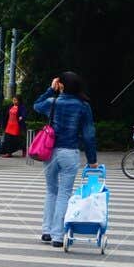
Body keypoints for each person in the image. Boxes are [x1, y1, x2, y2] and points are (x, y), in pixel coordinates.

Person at [31, 71, 98, 247]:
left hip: (50, 152)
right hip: (69, 153)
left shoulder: (53, 102)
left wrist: (50, 90)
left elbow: (36, 105)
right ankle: (58, 236)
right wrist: (92, 160)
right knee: (64, 194)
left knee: (51, 191)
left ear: (60, 85)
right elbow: (89, 134)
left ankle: (46, 231)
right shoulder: (83, 106)